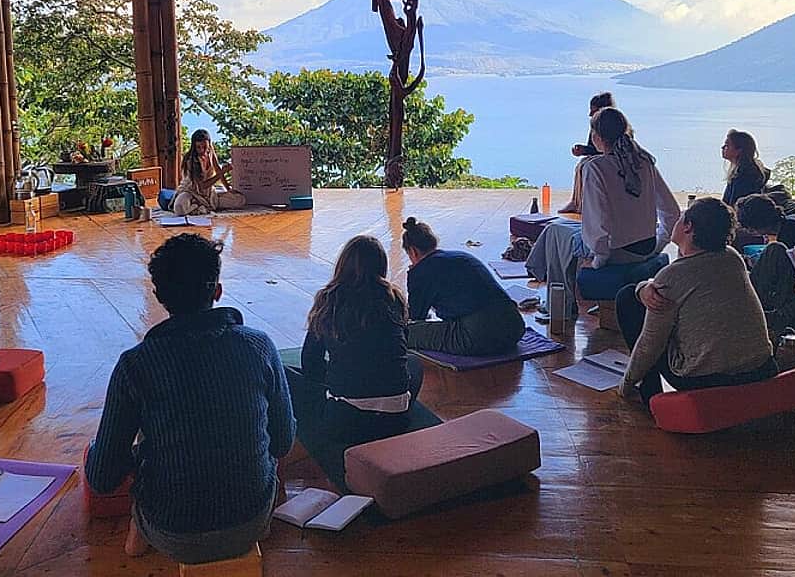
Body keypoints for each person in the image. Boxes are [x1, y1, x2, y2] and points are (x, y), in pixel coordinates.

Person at [85, 234, 294, 564]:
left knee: (140, 441)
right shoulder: (259, 346)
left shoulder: (136, 365)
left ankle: (139, 531)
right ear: (217, 291)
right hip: (253, 520)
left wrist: (105, 451)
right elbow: (282, 442)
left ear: (160, 297)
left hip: (173, 530)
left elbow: (102, 479)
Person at [616, 198, 778, 405]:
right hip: (761, 368)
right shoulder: (732, 257)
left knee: (626, 299)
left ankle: (650, 395)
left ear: (689, 226)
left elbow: (651, 343)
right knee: (637, 294)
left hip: (707, 379)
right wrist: (642, 288)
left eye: (682, 217)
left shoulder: (672, 276)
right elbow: (687, 276)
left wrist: (626, 384)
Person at [289, 235, 425, 451]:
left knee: (285, 375)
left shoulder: (329, 300)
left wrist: (338, 378)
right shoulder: (394, 298)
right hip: (396, 421)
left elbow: (311, 362)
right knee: (413, 363)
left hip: (343, 425)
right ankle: (390, 403)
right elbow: (400, 347)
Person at [527, 107, 679, 289]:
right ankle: (535, 269)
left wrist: (599, 260)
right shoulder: (644, 162)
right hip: (646, 247)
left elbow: (598, 220)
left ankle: (559, 303)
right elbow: (671, 212)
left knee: (554, 232)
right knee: (560, 225)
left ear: (597, 136)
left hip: (617, 254)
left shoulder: (596, 168)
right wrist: (659, 243)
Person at [403, 217, 525, 356]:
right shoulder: (462, 256)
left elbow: (415, 317)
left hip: (477, 335)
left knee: (404, 333)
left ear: (413, 251)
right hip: (515, 328)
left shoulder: (420, 271)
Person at [558, 91, 616, 213]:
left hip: (615, 158)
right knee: (582, 164)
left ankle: (578, 203)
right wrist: (582, 150)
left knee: (584, 165)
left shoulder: (615, 125)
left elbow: (608, 149)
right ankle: (577, 202)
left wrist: (586, 152)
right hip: (603, 156)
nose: (590, 114)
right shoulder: (596, 125)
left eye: (593, 111)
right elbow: (594, 148)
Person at [172, 129, 246, 216]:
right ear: (194, 146)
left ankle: (202, 206)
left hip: (209, 193)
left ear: (209, 144)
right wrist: (223, 172)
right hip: (191, 192)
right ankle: (197, 206)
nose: (202, 150)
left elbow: (218, 169)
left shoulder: (210, 151)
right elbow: (203, 185)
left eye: (204, 147)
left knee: (240, 200)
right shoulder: (191, 160)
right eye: (198, 147)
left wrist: (228, 189)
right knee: (180, 208)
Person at [721, 129, 770, 206]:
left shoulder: (744, 176)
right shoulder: (747, 169)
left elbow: (733, 206)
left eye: (727, 145)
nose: (723, 147)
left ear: (739, 150)